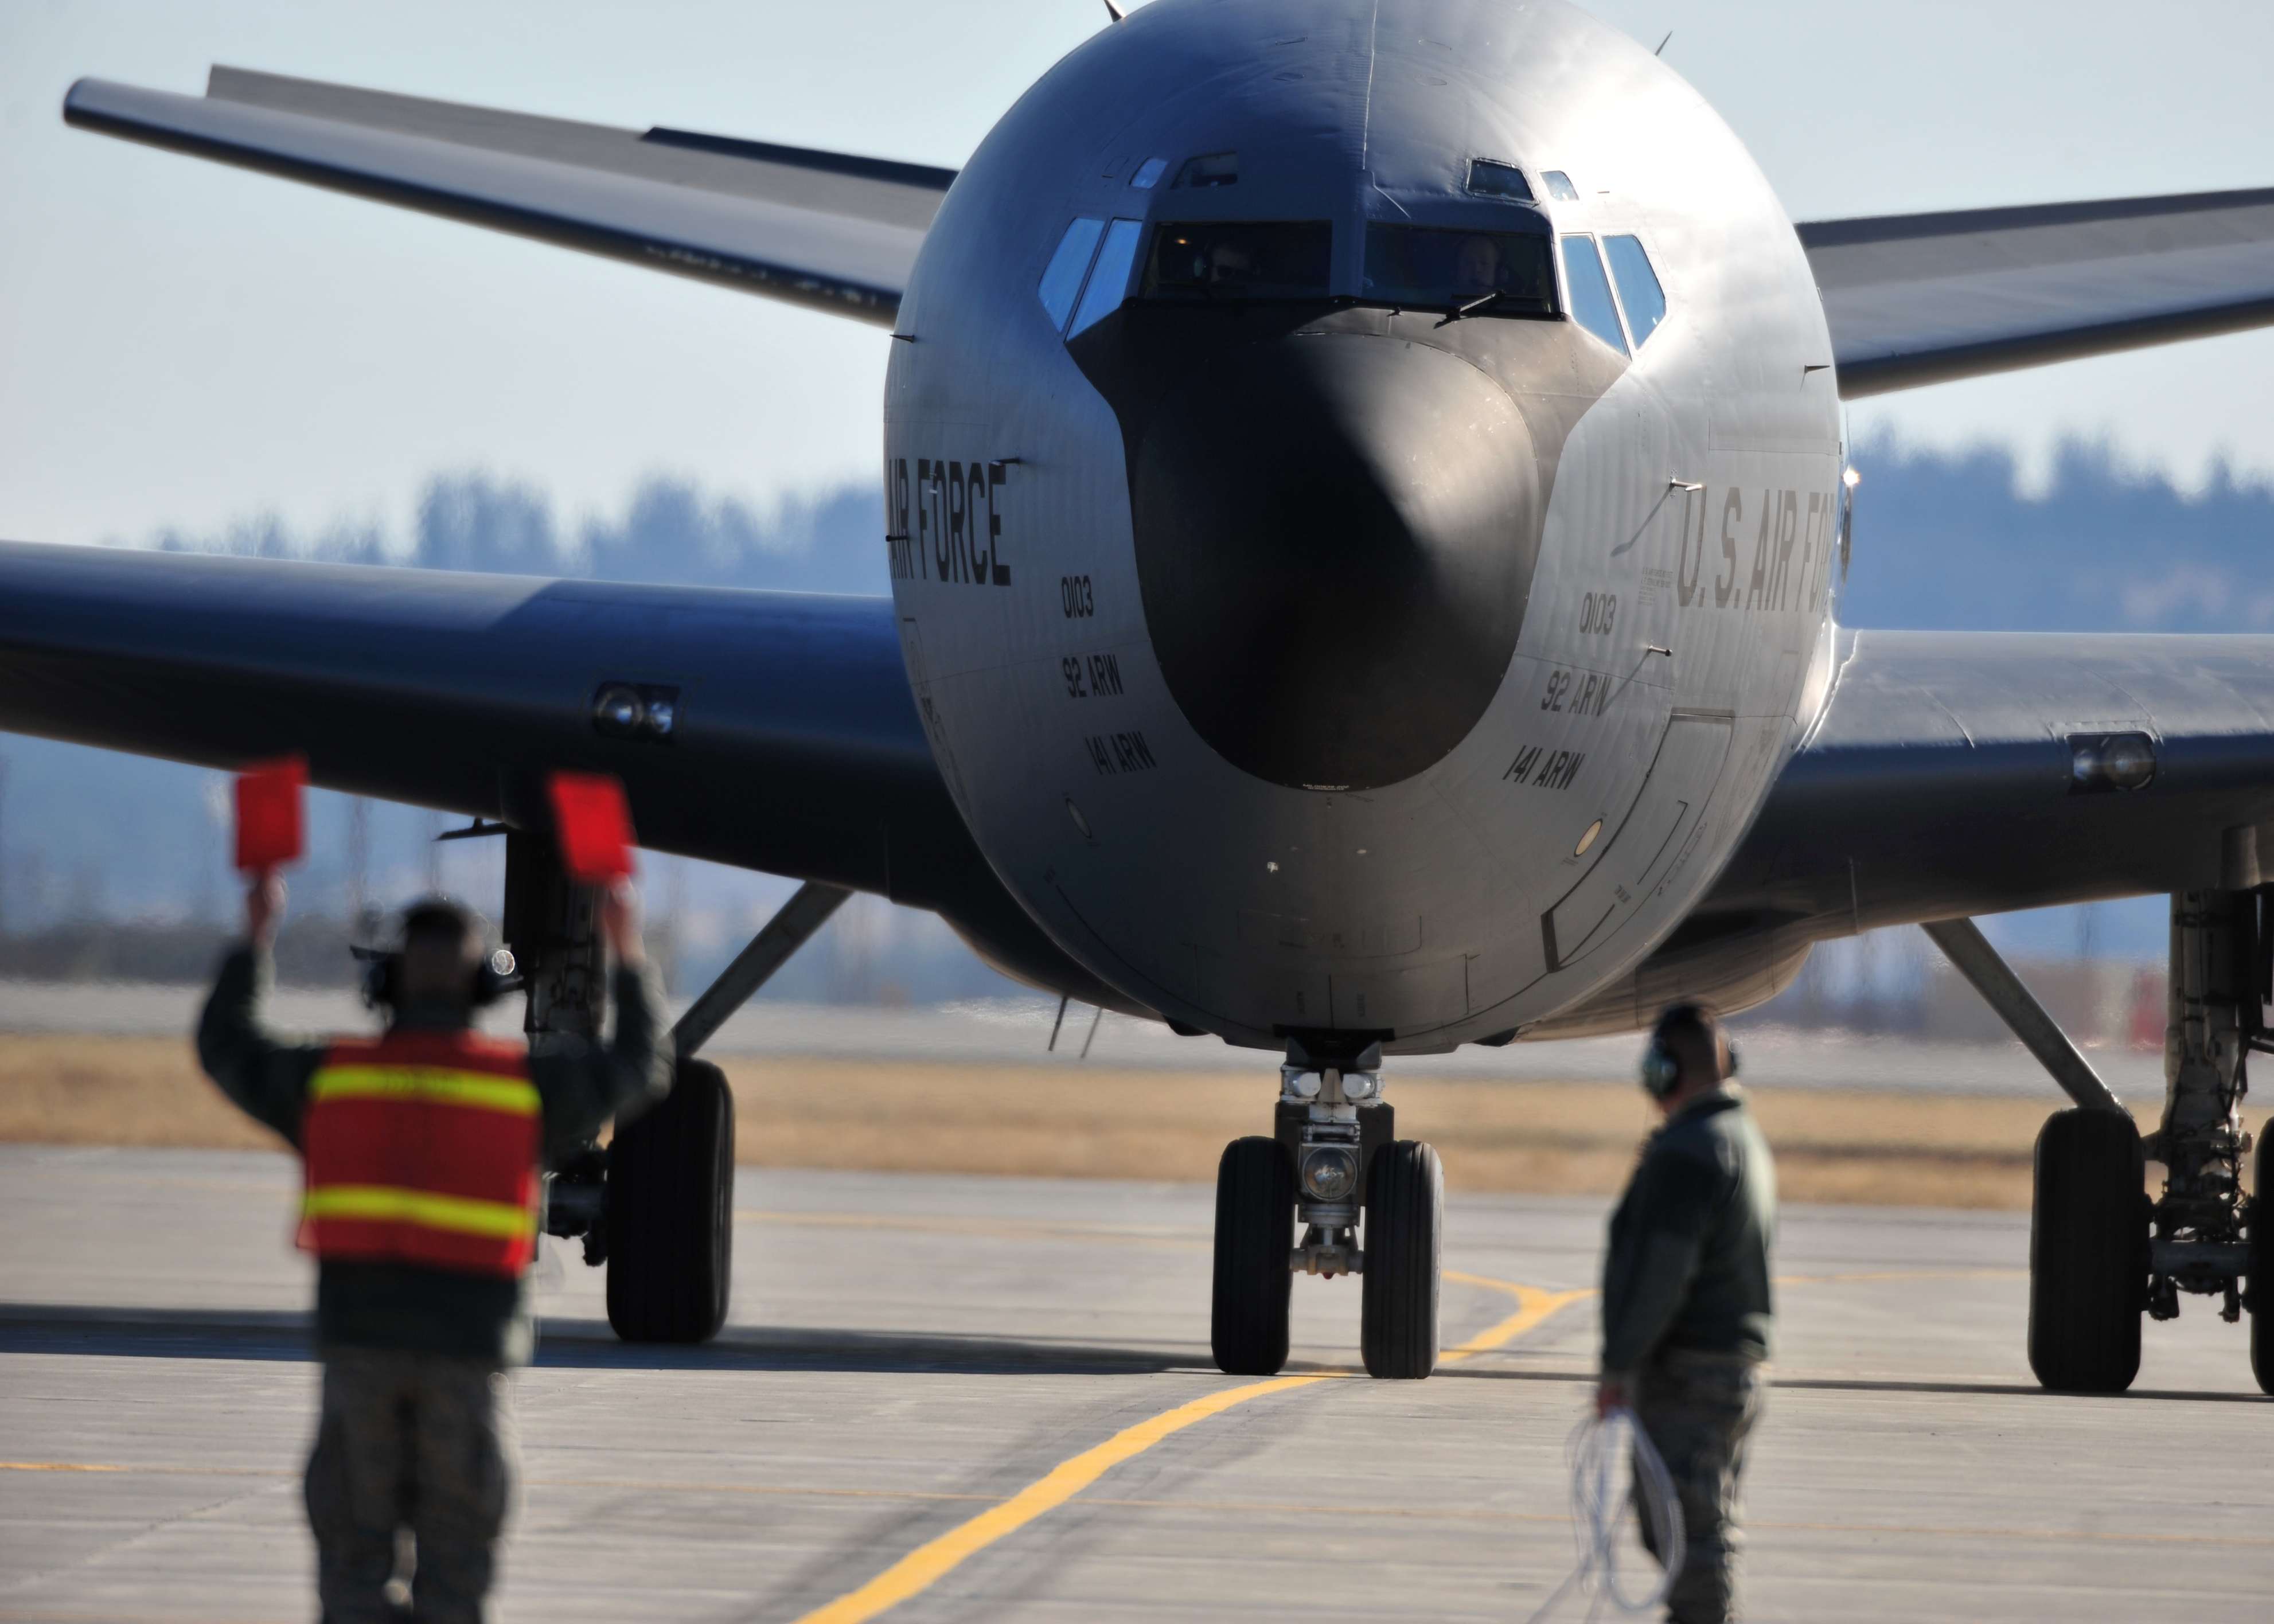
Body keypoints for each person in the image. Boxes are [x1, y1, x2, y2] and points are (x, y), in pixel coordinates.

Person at [197, 872, 672, 1624]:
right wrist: (627, 950)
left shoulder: (334, 1081)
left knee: (354, 1568)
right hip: (468, 1367)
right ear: (485, 990)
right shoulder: (522, 1091)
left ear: (382, 984)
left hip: (360, 1361)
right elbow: (639, 1066)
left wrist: (256, 934)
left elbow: (226, 1045)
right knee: (456, 1575)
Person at [1596, 1001, 1776, 1624]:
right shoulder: (1735, 1138)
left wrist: (1616, 1367)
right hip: (1718, 1370)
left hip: (1693, 1373)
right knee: (1674, 1525)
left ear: (1663, 1070)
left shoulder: (1689, 1152)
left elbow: (1658, 1277)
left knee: (1692, 1535)